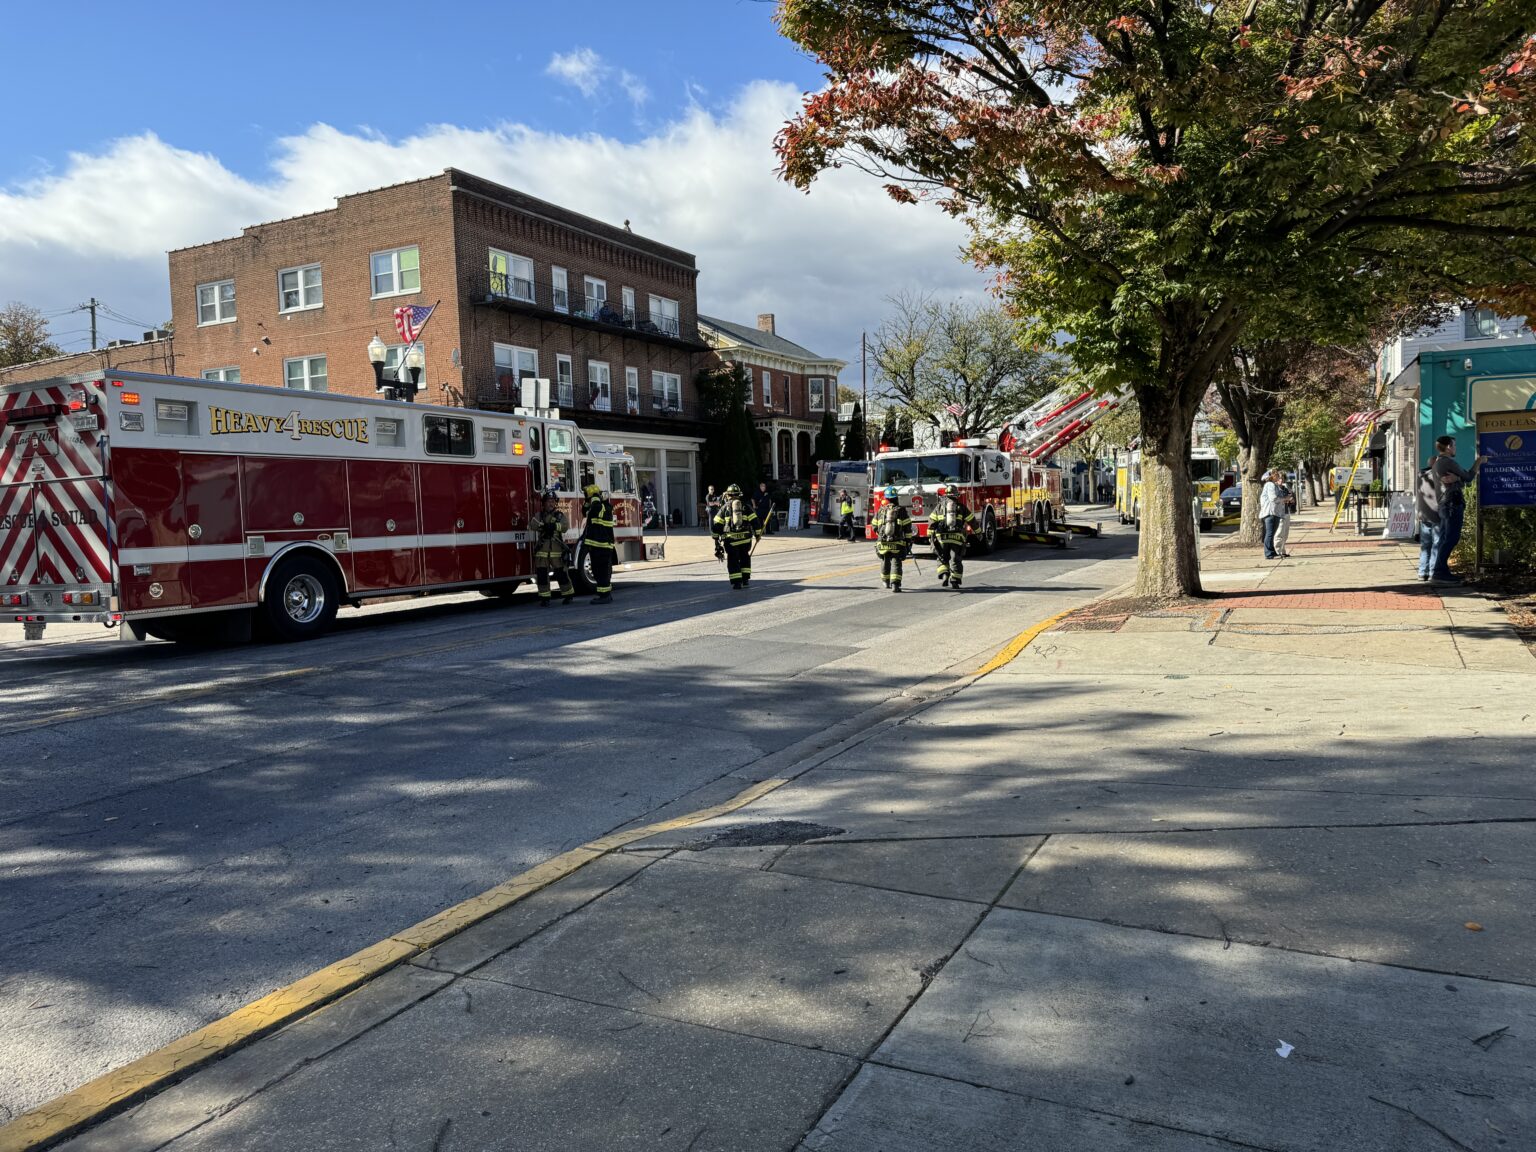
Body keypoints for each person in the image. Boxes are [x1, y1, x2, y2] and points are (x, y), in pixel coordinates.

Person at [1428, 435, 1486, 585]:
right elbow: (1468, 477)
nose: (1455, 448)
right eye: (1454, 445)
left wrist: (1457, 479)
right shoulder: (1448, 462)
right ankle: (1439, 572)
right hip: (1452, 503)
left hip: (1444, 504)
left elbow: (1459, 481)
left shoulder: (1437, 463)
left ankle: (1441, 571)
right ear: (1448, 447)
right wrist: (1478, 462)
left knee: (1444, 539)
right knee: (1451, 538)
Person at [529, 489, 575, 606]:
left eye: (553, 501)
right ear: (544, 503)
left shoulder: (559, 515)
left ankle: (568, 595)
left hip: (556, 551)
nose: (551, 503)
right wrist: (544, 526)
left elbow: (564, 527)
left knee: (561, 574)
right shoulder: (539, 515)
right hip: (542, 551)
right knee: (542, 576)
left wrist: (554, 526)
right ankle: (545, 598)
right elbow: (532, 524)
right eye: (548, 501)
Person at [928, 478, 976, 590]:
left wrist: (930, 535)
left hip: (942, 538)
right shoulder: (961, 507)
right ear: (956, 495)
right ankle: (955, 581)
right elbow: (972, 521)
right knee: (956, 559)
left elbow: (931, 521)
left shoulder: (939, 506)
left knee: (942, 557)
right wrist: (978, 533)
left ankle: (945, 574)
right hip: (957, 538)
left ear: (946, 495)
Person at [712, 483, 761, 590]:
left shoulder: (724, 508)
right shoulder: (746, 506)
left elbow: (716, 525)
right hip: (745, 539)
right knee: (745, 557)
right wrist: (758, 534)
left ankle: (737, 583)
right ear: (739, 495)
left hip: (731, 540)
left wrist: (716, 538)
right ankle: (745, 580)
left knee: (733, 560)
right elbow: (755, 521)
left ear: (728, 495)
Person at [872, 485, 914, 591]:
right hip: (897, 542)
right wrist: (909, 541)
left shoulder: (881, 510)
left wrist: (880, 534)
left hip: (883, 542)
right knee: (896, 561)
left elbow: (874, 526)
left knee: (885, 560)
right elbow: (907, 528)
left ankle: (886, 582)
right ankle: (895, 584)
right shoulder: (901, 511)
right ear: (896, 498)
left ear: (886, 498)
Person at [580, 483, 616, 603]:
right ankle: (602, 594)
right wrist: (587, 500)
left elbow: (595, 510)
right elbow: (584, 511)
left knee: (602, 572)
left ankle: (606, 596)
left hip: (603, 546)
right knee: (596, 571)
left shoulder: (604, 507)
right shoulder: (594, 507)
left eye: (589, 498)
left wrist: (594, 497)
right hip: (596, 546)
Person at [1415, 457, 1440, 582]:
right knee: (1436, 544)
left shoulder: (1420, 475)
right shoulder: (1436, 475)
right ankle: (1433, 572)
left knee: (1426, 545)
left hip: (1424, 514)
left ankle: (1422, 571)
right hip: (1436, 513)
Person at [1259, 469, 1285, 559]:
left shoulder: (1274, 485)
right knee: (1269, 533)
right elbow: (1273, 498)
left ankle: (1272, 551)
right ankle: (1268, 553)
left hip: (1274, 512)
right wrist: (1284, 499)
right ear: (1272, 476)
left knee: (1272, 533)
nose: (1278, 476)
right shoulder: (1270, 485)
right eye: (1276, 475)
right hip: (1270, 512)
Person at [1272, 474, 1296, 559]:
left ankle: (1283, 550)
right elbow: (1276, 500)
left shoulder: (1285, 489)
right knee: (1279, 533)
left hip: (1286, 511)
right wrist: (1286, 499)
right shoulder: (1274, 489)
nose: (1281, 481)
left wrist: (1291, 500)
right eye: (1279, 479)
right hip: (1279, 513)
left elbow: (1290, 500)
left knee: (1285, 534)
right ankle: (1277, 551)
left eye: (1282, 479)